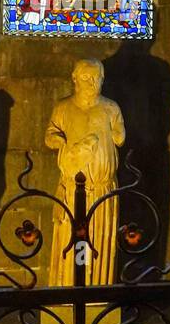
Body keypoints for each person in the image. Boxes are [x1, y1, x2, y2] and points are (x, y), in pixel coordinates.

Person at [46, 59, 125, 286]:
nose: (91, 82)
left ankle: (97, 290)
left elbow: (120, 137)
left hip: (102, 189)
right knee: (75, 241)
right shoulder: (63, 108)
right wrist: (60, 141)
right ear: (74, 79)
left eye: (96, 78)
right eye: (85, 78)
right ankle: (71, 288)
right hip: (73, 189)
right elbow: (50, 135)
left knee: (99, 240)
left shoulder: (110, 108)